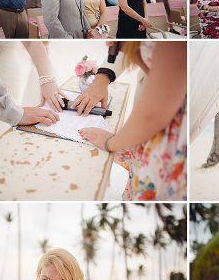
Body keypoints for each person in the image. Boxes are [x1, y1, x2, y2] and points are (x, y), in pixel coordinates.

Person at [78, 42, 187, 201]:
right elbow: (162, 72)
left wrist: (110, 142)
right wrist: (130, 49)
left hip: (164, 130)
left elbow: (153, 116)